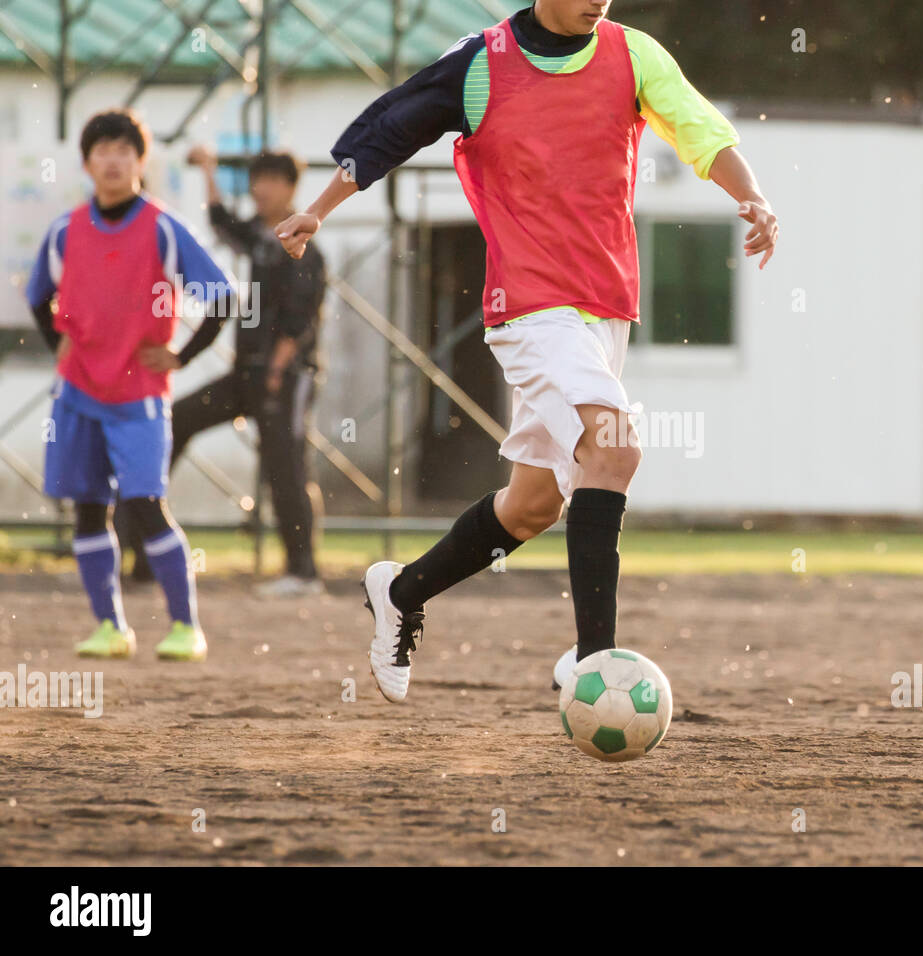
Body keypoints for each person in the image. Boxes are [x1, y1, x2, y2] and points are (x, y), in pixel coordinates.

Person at [276, 0, 779, 702]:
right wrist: (319, 208)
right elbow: (395, 125)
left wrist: (750, 196)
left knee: (532, 506)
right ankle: (594, 664)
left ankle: (401, 590)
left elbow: (699, 129)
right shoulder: (482, 62)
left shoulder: (633, 55)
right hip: (531, 310)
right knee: (615, 447)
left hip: (605, 311)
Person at [27, 108, 237, 661]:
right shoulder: (65, 230)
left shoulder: (163, 227)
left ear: (140, 161)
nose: (114, 160)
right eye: (103, 151)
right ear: (87, 163)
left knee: (145, 503)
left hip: (139, 397)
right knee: (88, 507)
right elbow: (35, 297)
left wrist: (179, 358)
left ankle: (185, 627)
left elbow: (221, 298)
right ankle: (110, 627)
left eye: (125, 150)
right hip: (76, 395)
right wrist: (59, 346)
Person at [124, 147, 328, 597]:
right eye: (257, 179)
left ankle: (303, 572)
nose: (261, 188)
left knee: (286, 468)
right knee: (175, 421)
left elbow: (300, 318)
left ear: (291, 187)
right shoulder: (259, 236)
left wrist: (276, 371)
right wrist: (210, 172)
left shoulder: (304, 248)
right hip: (246, 374)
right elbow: (222, 222)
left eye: (272, 180)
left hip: (286, 376)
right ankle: (139, 553)